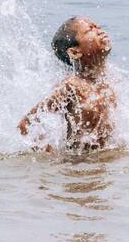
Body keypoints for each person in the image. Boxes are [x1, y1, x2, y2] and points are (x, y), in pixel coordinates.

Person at [19, 16, 115, 151]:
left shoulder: (110, 80)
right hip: (77, 166)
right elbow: (26, 124)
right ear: (75, 52)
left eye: (97, 27)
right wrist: (50, 155)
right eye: (90, 30)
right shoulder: (72, 86)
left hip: (105, 164)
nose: (99, 31)